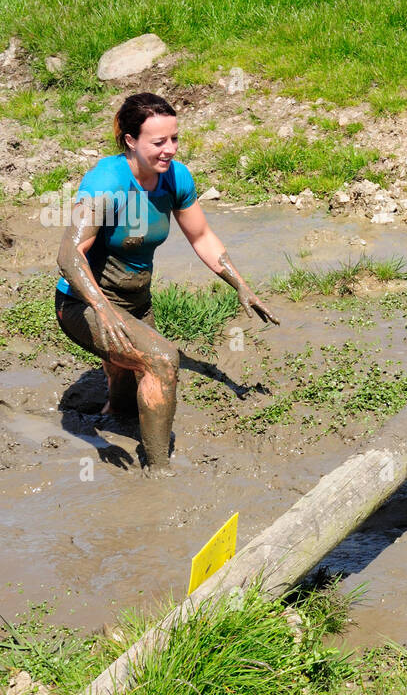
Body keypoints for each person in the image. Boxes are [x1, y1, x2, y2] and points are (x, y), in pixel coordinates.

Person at [55, 92, 279, 476]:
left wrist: (239, 284)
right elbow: (69, 256)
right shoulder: (107, 182)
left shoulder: (175, 177)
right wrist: (103, 310)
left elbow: (202, 237)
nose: (170, 150)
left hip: (136, 302)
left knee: (127, 397)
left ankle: (116, 413)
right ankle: (159, 473)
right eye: (159, 142)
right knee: (162, 360)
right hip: (83, 303)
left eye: (174, 139)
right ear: (131, 141)